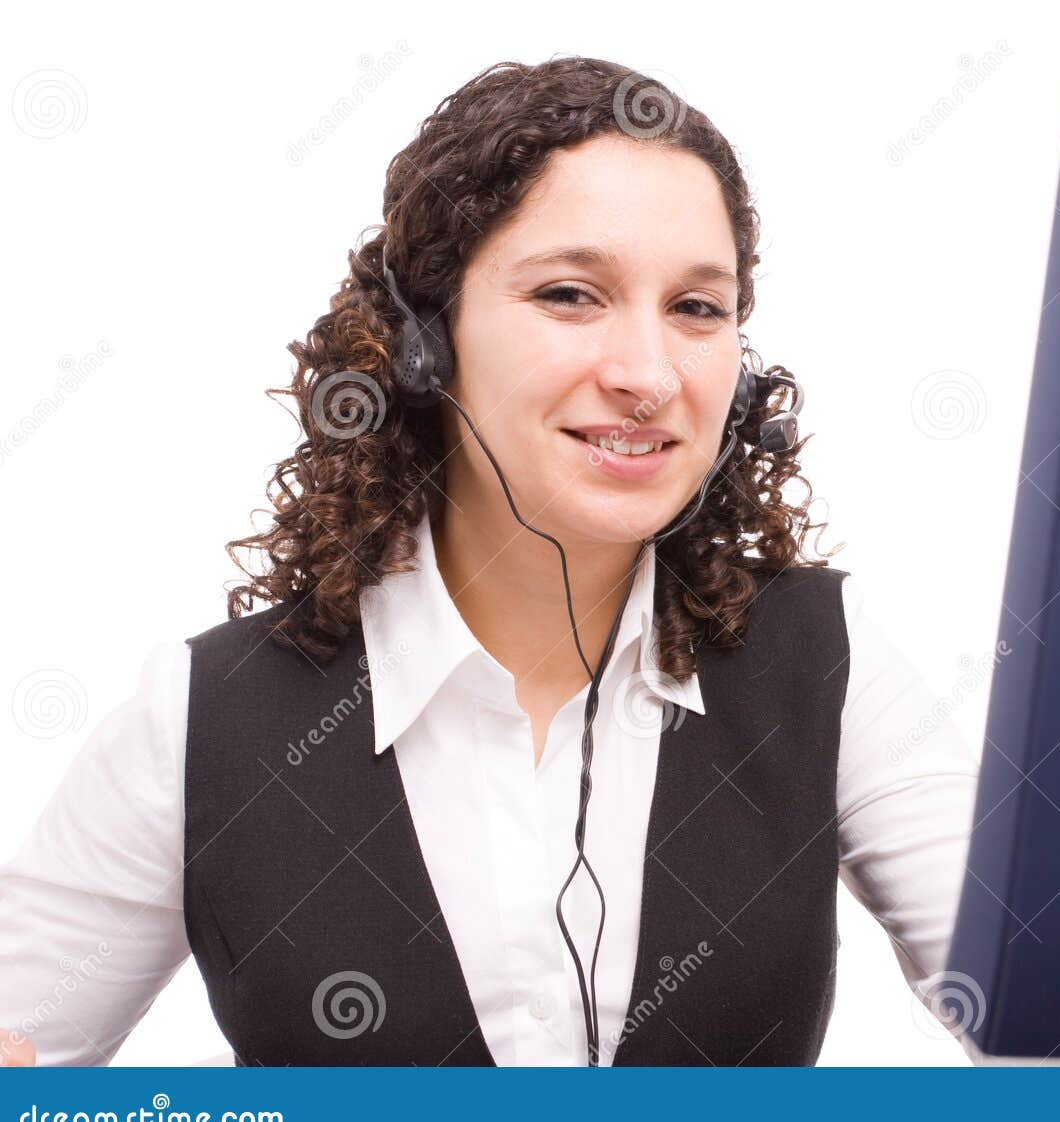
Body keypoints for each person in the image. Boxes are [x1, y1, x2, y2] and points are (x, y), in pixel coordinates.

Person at [0, 56, 981, 1066]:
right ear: (425, 340)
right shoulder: (206, 718)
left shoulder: (825, 663)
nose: (647, 374)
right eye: (570, 294)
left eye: (696, 308)